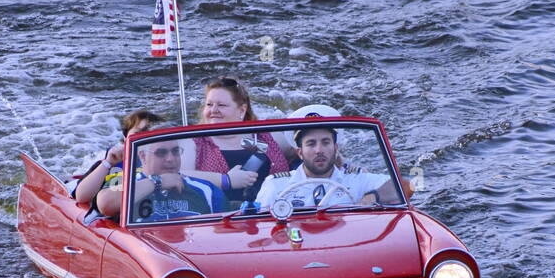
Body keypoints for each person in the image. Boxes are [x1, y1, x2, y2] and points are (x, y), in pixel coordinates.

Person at [186, 77, 289, 208]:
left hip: (274, 215)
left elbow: (304, 149)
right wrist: (226, 180)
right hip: (217, 221)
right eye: (209, 104)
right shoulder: (192, 142)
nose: (213, 110)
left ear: (242, 110)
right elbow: (177, 176)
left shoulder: (268, 136)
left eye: (221, 105)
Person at [255, 125, 402, 208]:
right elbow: (261, 227)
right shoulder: (276, 185)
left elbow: (412, 185)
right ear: (300, 152)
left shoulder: (356, 180)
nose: (319, 150)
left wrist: (372, 196)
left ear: (335, 148)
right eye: (311, 144)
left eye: (325, 142)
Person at [96, 134, 225, 223]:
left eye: (175, 151)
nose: (170, 159)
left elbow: (227, 232)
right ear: (143, 157)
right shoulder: (123, 180)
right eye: (161, 153)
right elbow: (106, 204)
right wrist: (157, 182)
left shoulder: (206, 190)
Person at [73, 109, 162, 220]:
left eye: (149, 135)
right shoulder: (111, 164)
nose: (143, 139)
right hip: (112, 219)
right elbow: (81, 197)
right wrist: (108, 163)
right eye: (138, 134)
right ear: (125, 138)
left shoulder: (166, 164)